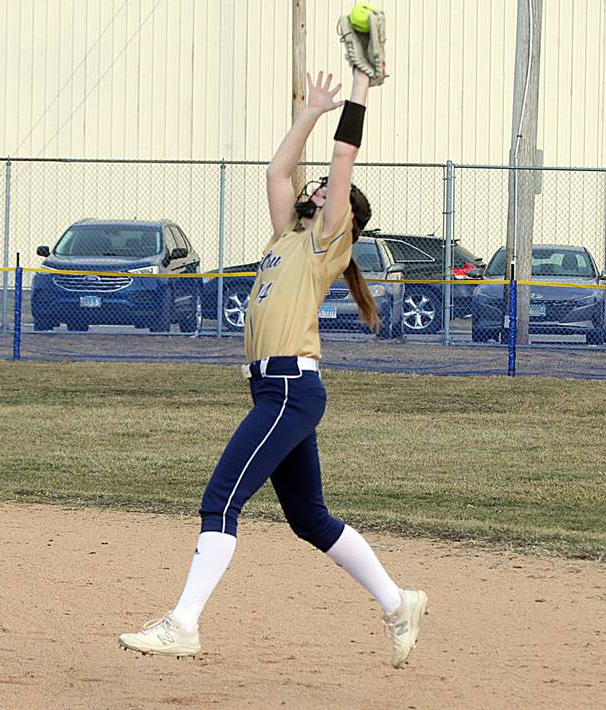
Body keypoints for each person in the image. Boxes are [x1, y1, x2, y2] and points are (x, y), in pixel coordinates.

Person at [118, 67, 428, 669]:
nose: (311, 189)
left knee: (220, 501)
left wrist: (360, 90)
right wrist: (310, 110)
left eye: (322, 191)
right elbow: (276, 171)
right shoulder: (285, 238)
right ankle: (398, 604)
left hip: (289, 387)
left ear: (343, 217)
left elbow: (343, 159)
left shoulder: (326, 239)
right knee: (310, 518)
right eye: (311, 190)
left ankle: (183, 622)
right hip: (276, 387)